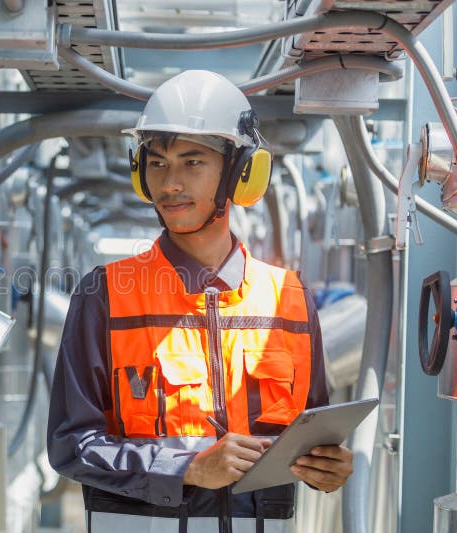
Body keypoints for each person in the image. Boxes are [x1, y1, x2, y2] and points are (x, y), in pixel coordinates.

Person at [47, 70, 354, 533]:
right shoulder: (104, 295)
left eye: (192, 163)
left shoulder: (289, 299)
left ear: (239, 173)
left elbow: (307, 436)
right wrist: (186, 468)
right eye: (157, 163)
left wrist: (326, 468)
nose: (169, 183)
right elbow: (72, 445)